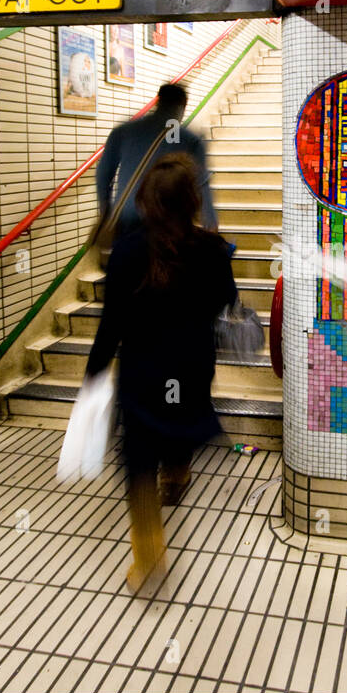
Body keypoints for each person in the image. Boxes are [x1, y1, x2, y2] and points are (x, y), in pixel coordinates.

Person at [84, 153, 237, 591]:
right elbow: (224, 304)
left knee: (137, 460)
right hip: (190, 365)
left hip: (142, 370)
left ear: (145, 203)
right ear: (193, 201)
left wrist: (94, 374)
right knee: (179, 419)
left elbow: (111, 322)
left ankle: (149, 559)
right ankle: (178, 473)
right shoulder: (212, 249)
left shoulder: (129, 249)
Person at [96, 84, 218, 240]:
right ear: (182, 106)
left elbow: (103, 175)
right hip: (168, 219)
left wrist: (106, 210)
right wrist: (210, 221)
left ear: (158, 102)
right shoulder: (191, 139)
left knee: (127, 259)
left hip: (127, 215)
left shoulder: (123, 131)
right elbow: (201, 183)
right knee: (165, 262)